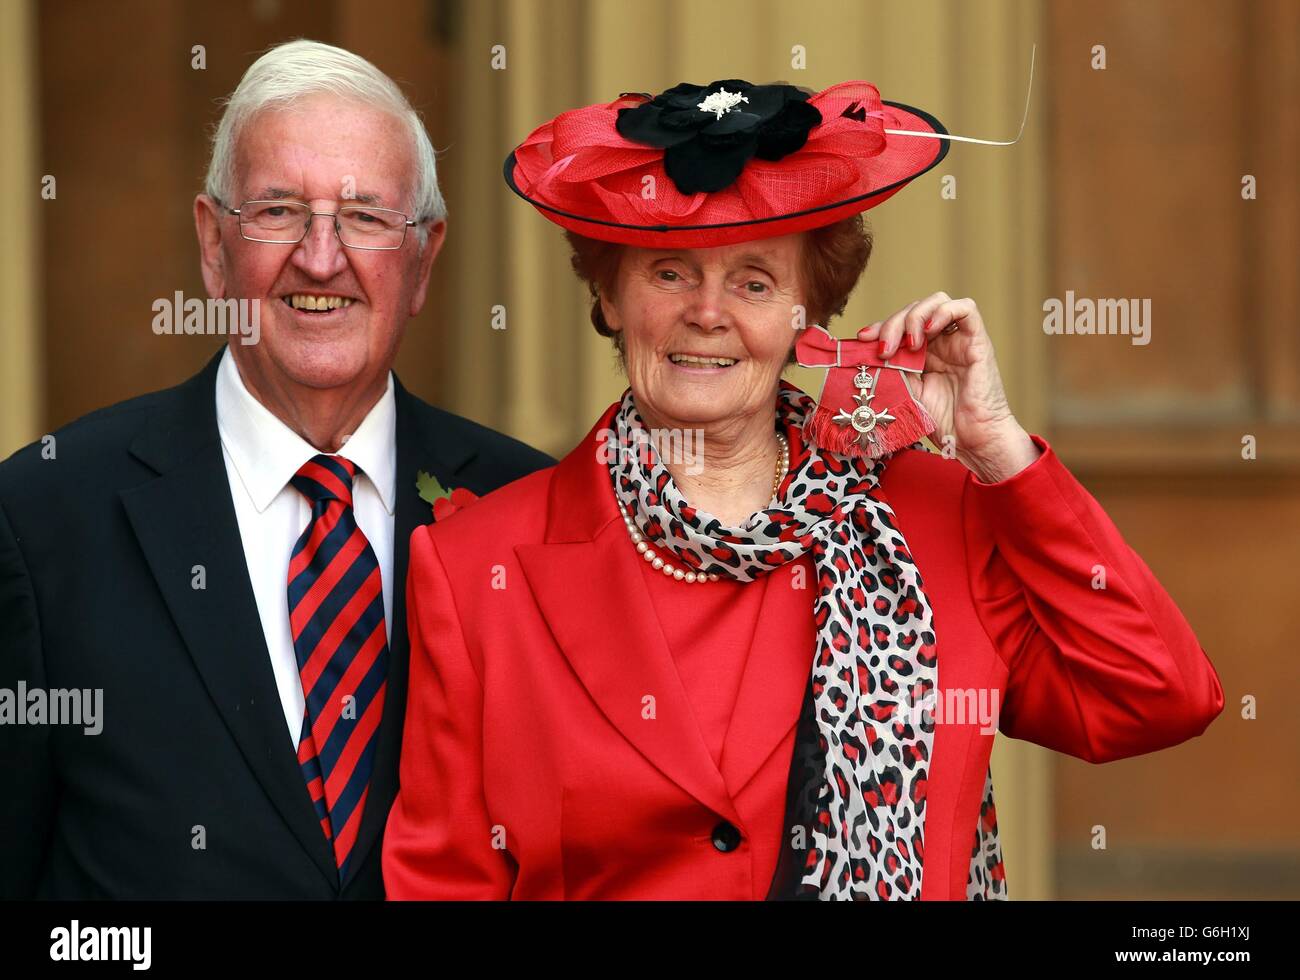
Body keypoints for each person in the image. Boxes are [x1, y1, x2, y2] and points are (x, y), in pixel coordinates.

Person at [382, 78, 1224, 899]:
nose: (708, 313)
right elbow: (445, 883)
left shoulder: (933, 521)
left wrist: (999, 451)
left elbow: (1157, 697)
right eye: (669, 273)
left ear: (808, 318)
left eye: (755, 282)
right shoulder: (473, 570)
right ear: (608, 294)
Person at [0, 39, 552, 900]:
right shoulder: (41, 517)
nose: (321, 258)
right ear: (213, 245)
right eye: (278, 210)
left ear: (425, 258)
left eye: (367, 216)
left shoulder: (532, 513)